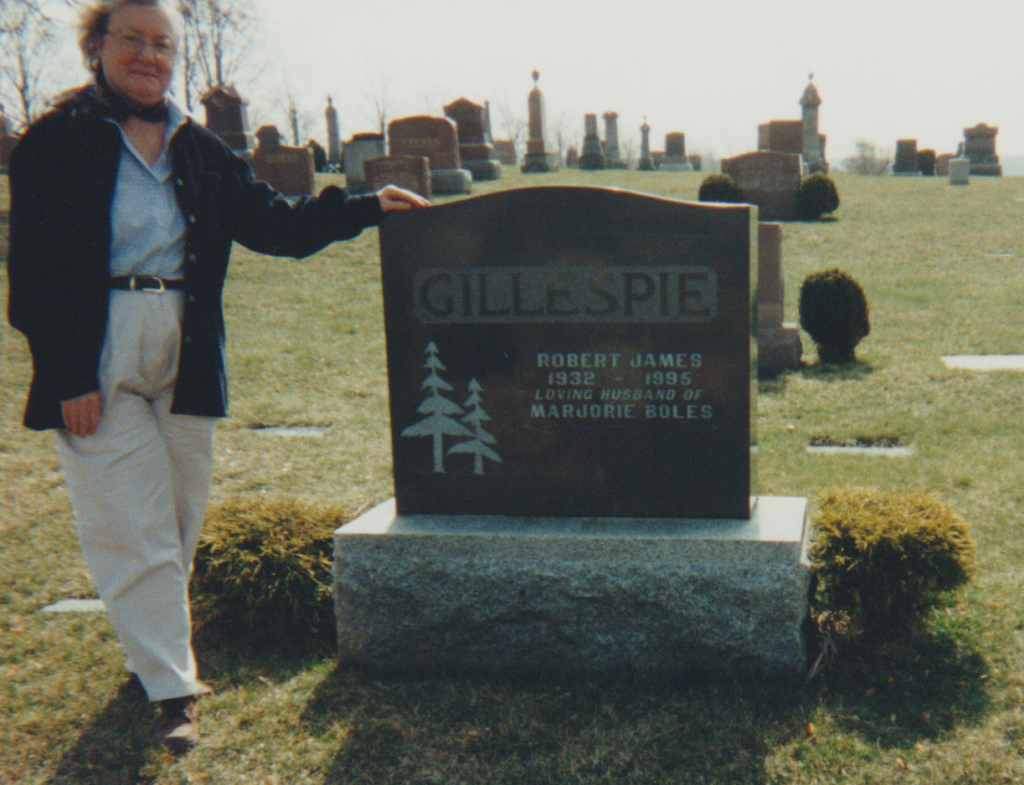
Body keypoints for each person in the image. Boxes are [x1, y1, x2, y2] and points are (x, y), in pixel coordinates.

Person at [5, 0, 429, 754]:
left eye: (163, 43)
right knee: (129, 523)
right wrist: (68, 371)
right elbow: (32, 271)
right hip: (97, 346)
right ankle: (173, 692)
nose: (148, 55)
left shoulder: (195, 146)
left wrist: (365, 207)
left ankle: (150, 652)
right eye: (131, 40)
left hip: (187, 346)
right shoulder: (55, 141)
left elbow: (274, 223)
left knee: (177, 518)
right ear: (96, 46)